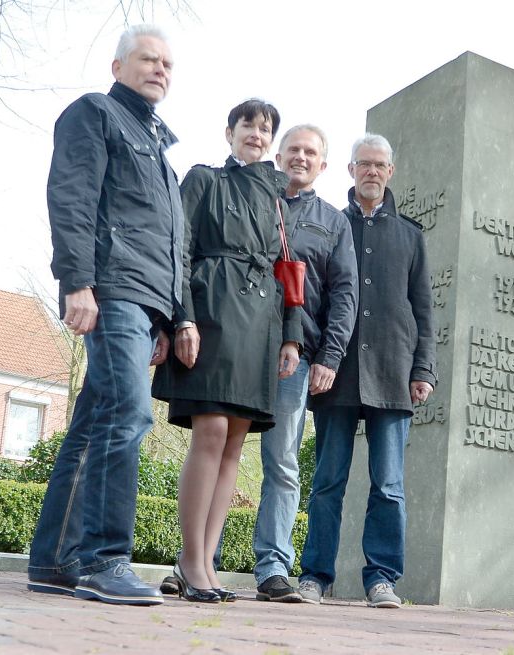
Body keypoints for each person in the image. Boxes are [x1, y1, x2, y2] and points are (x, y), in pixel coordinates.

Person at [26, 25, 182, 606]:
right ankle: (103, 559)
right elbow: (71, 197)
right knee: (126, 414)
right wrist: (77, 282)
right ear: (118, 67)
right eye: (148, 59)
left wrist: (168, 317)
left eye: (167, 63)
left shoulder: (161, 152)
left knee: (94, 424)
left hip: (144, 303)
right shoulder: (95, 113)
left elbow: (171, 243)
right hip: (111, 290)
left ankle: (53, 560)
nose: (160, 69)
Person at [152, 99, 302, 603]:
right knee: (211, 429)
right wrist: (182, 318)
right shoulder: (204, 180)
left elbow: (288, 271)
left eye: (265, 129)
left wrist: (291, 335)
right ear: (229, 132)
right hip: (211, 313)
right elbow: (178, 249)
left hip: (260, 323)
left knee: (235, 440)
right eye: (247, 125)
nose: (256, 134)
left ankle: (204, 564)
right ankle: (192, 560)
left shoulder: (279, 201)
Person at [298, 133, 436, 609]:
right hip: (336, 372)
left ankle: (382, 579)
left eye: (380, 165)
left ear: (390, 172)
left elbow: (424, 310)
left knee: (389, 486)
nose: (372, 171)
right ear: (351, 170)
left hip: (394, 371)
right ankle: (315, 576)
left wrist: (424, 369)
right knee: (327, 482)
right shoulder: (332, 225)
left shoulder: (411, 236)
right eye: (364, 164)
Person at [251, 125, 358, 602]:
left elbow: (344, 295)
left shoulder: (334, 222)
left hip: (296, 358)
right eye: (293, 149)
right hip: (240, 348)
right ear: (278, 156)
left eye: (310, 152)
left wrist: (330, 355)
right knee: (219, 452)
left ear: (323, 165)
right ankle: (197, 559)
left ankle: (273, 568)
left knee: (282, 463)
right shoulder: (255, 201)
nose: (300, 157)